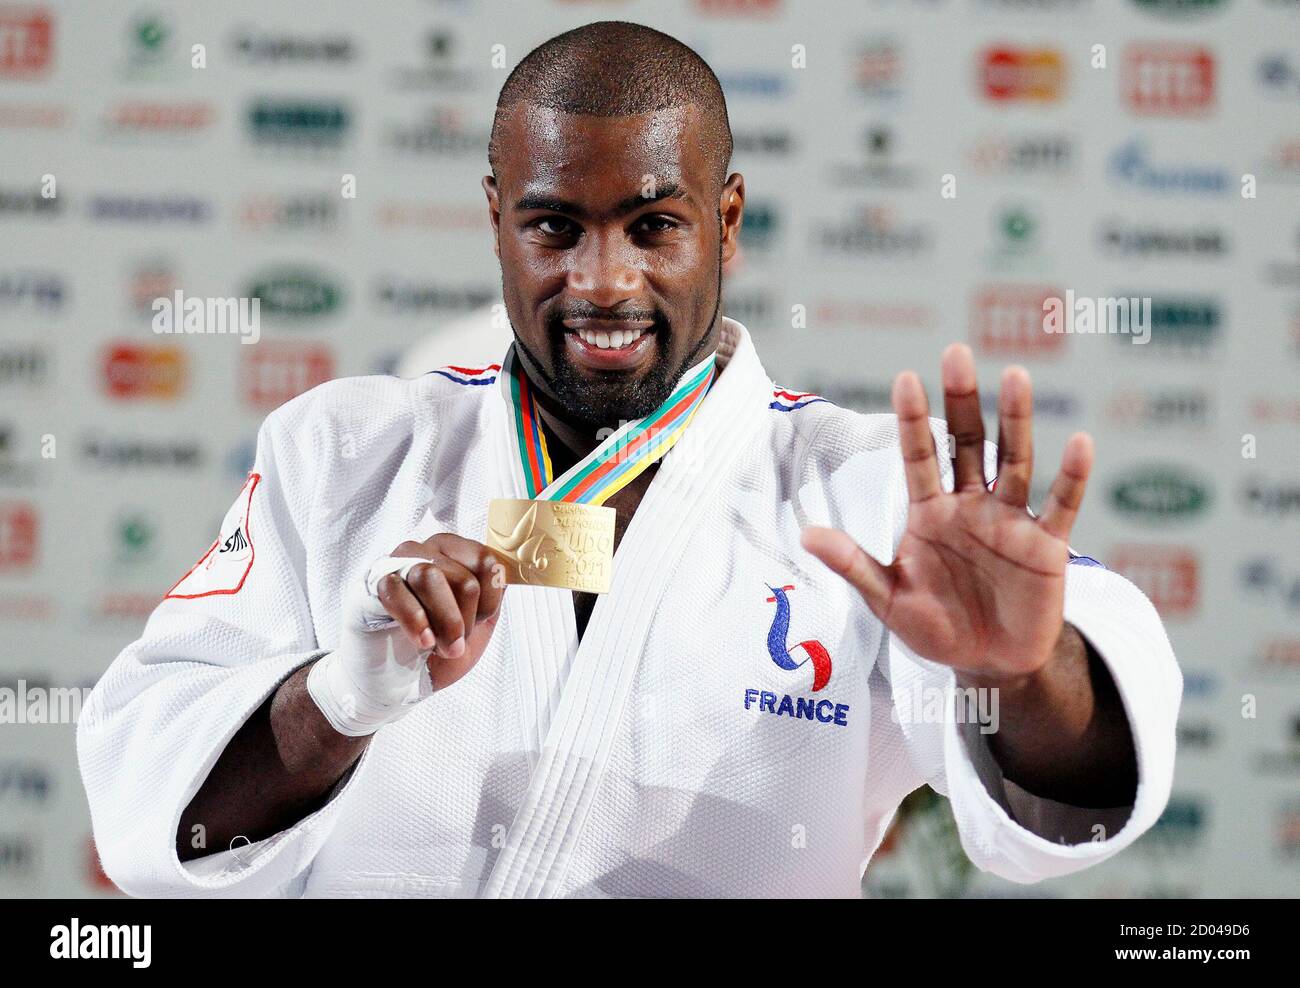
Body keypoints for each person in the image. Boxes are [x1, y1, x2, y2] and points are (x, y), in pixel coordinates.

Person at [78, 21, 1181, 898]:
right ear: (498, 218)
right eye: (556, 228)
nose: (604, 281)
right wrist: (332, 704)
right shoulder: (343, 452)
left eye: (653, 226)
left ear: (728, 220)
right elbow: (147, 809)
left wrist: (1020, 672)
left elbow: (1059, 813)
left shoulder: (870, 493)